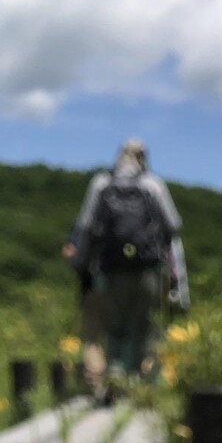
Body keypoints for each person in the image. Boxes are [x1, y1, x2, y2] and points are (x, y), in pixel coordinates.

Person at [63, 139, 183, 395]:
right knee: (146, 328)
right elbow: (173, 225)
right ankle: (145, 388)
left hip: (110, 270)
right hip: (148, 269)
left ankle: (114, 385)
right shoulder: (153, 185)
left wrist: (80, 266)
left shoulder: (101, 184)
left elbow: (85, 225)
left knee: (114, 329)